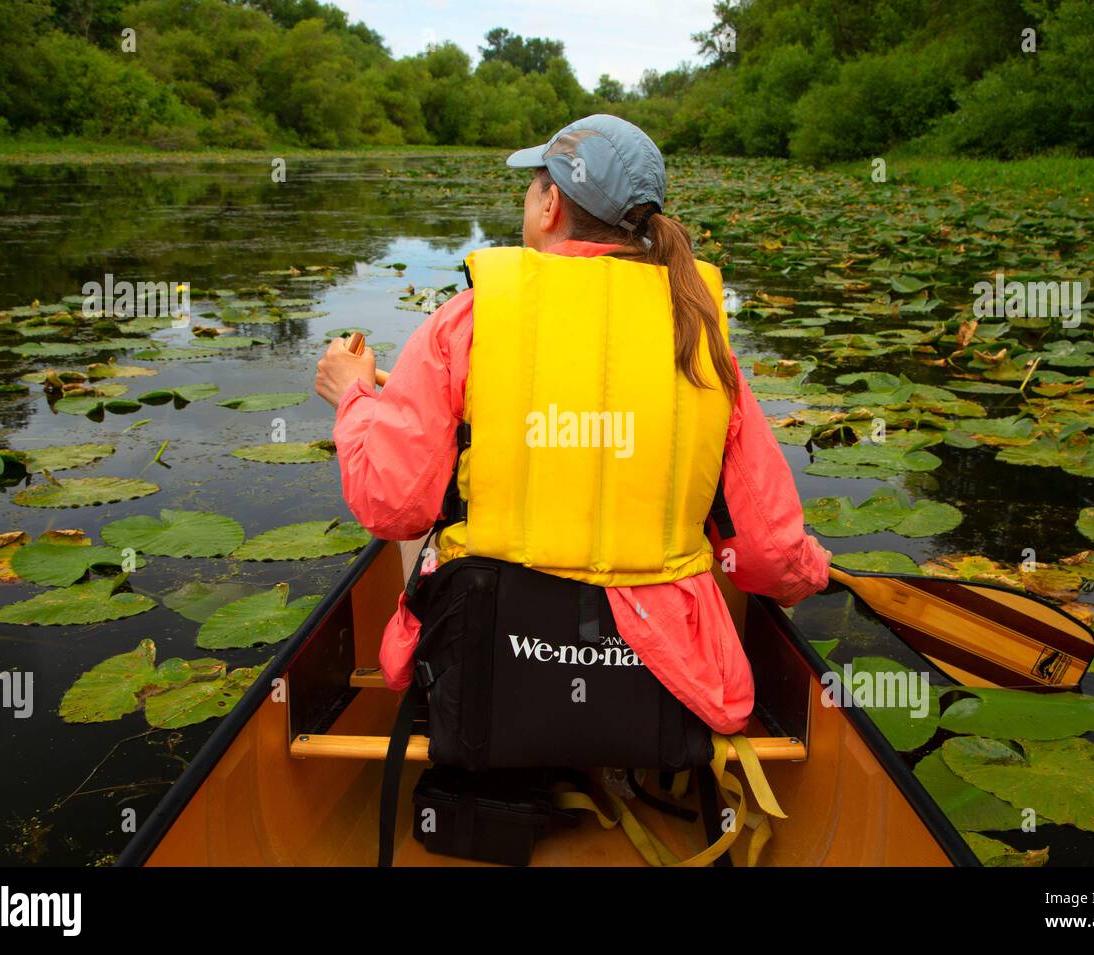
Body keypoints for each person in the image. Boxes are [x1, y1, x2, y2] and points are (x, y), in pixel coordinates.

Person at [315, 114, 830, 737]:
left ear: (552, 203)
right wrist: (813, 571)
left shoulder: (466, 323)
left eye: (531, 189)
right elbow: (771, 557)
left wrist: (356, 398)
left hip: (490, 664)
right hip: (669, 680)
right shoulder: (700, 333)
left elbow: (391, 508)